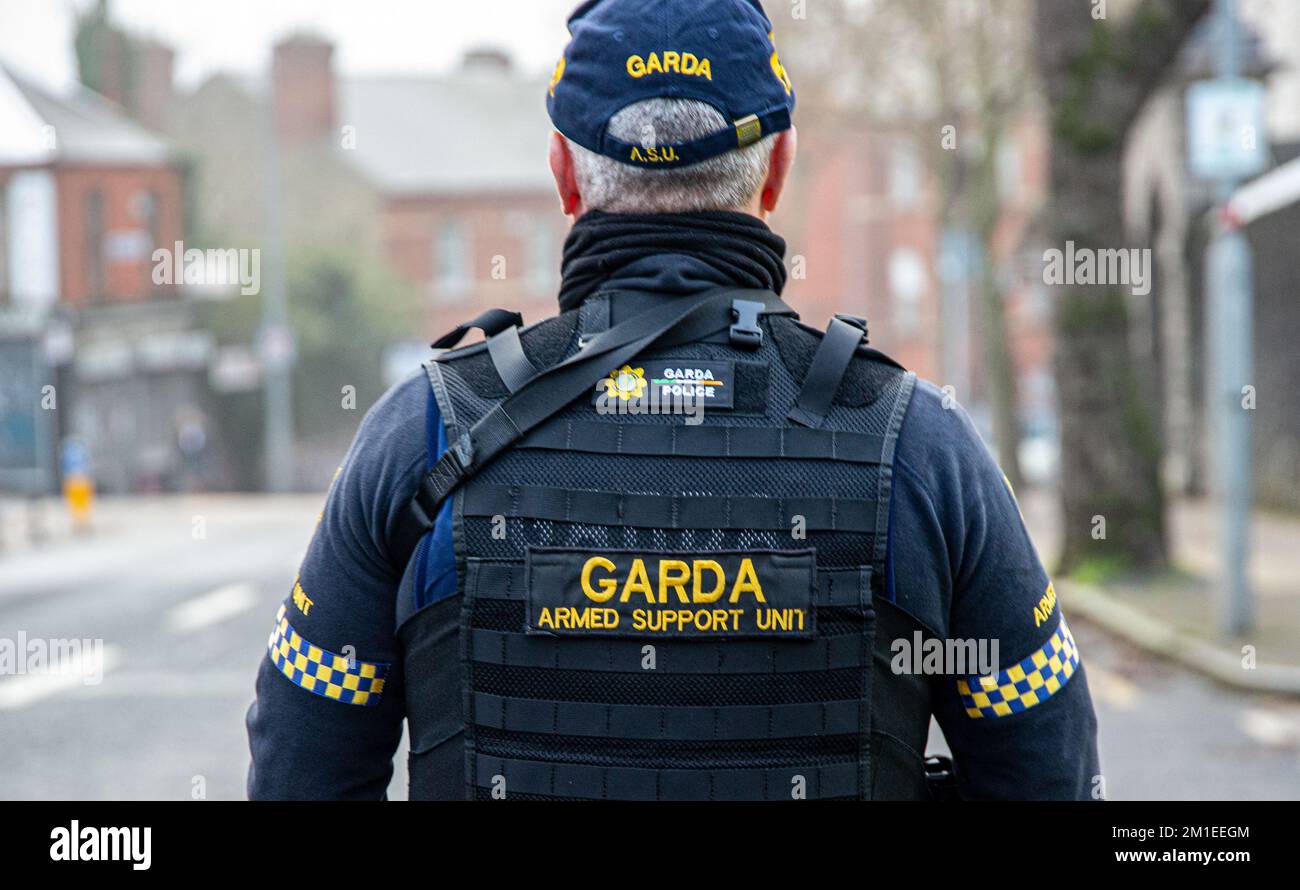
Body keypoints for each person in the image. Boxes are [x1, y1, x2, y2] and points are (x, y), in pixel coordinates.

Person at [246, 0, 1099, 800]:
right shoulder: (917, 446)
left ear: (563, 177)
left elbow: (298, 772)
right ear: (778, 171)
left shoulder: (423, 433)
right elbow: (1047, 771)